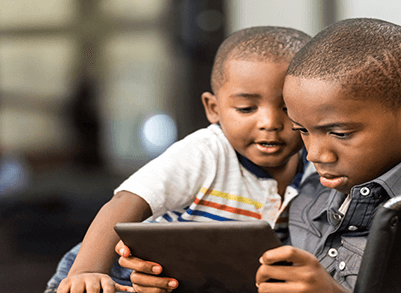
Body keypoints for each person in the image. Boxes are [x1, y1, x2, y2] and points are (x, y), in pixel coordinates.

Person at [115, 18, 401, 293]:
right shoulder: (312, 186)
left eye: (340, 133)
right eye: (302, 131)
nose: (315, 153)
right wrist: (176, 278)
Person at [48, 26, 311, 293]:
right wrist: (88, 272)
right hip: (121, 273)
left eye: (288, 108)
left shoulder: (315, 169)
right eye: (246, 108)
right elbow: (126, 201)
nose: (269, 123)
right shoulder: (205, 152)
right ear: (213, 109)